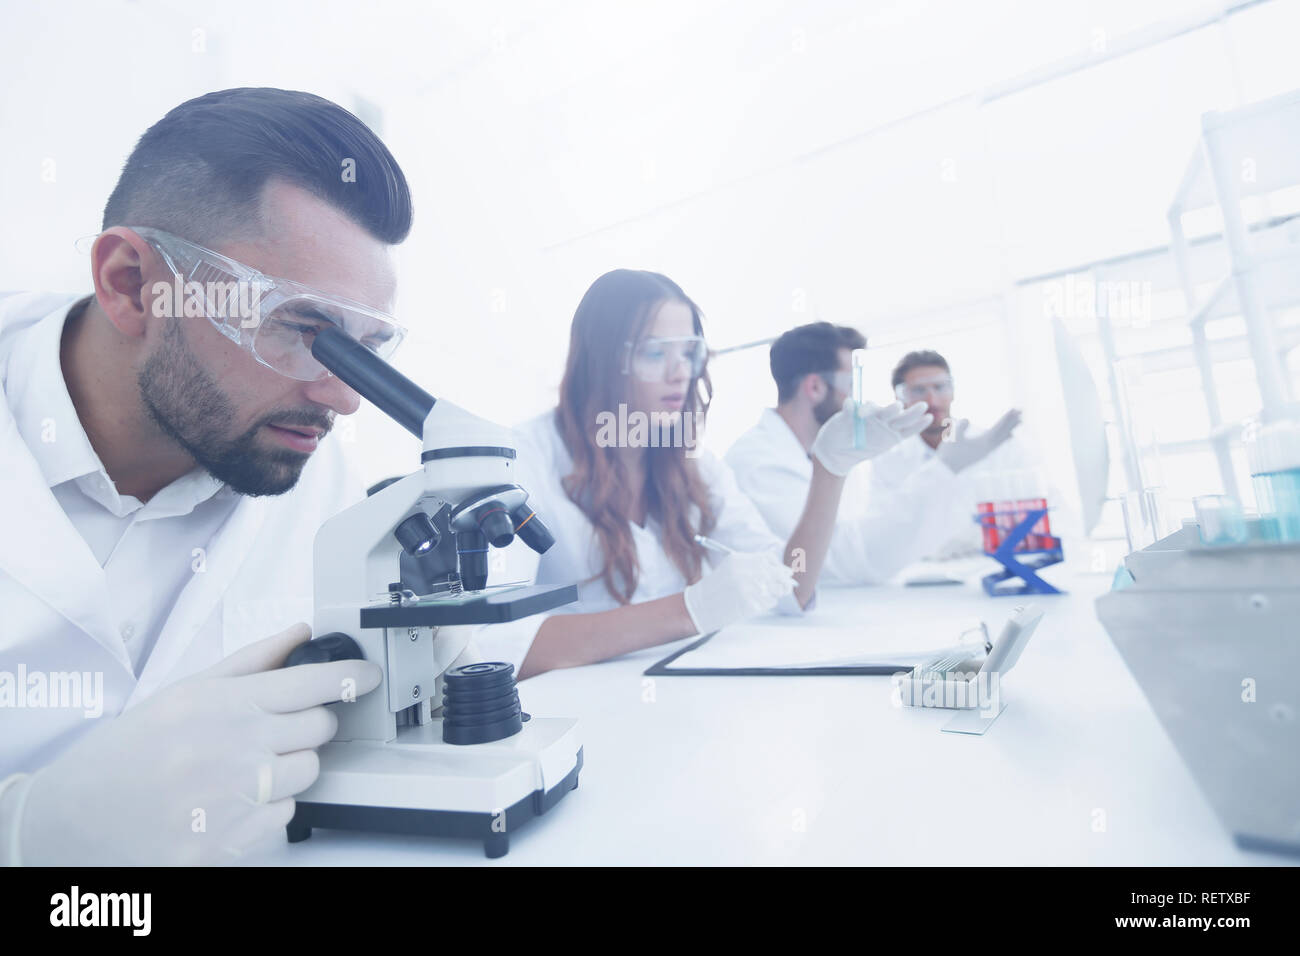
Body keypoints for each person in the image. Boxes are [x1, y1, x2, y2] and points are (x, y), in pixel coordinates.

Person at [0, 88, 417, 865]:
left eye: (367, 346)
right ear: (132, 284)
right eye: (301, 328)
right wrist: (28, 839)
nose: (347, 397)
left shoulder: (314, 480)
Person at [478, 272, 931, 677]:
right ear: (598, 361)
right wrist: (689, 610)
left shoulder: (692, 465)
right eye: (654, 352)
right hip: (575, 726)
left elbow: (787, 587)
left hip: (682, 711)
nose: (680, 374)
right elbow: (493, 645)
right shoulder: (523, 457)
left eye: (689, 353)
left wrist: (830, 472)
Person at [726, 323, 1001, 585]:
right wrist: (943, 470)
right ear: (815, 387)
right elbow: (843, 559)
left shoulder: (811, 454)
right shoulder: (760, 462)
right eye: (851, 384)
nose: (856, 399)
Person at [866, 349, 1026, 559]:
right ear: (900, 397)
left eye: (940, 387)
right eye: (919, 390)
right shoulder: (887, 460)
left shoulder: (995, 446)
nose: (932, 400)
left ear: (952, 391)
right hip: (918, 573)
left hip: (988, 565)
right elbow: (883, 528)